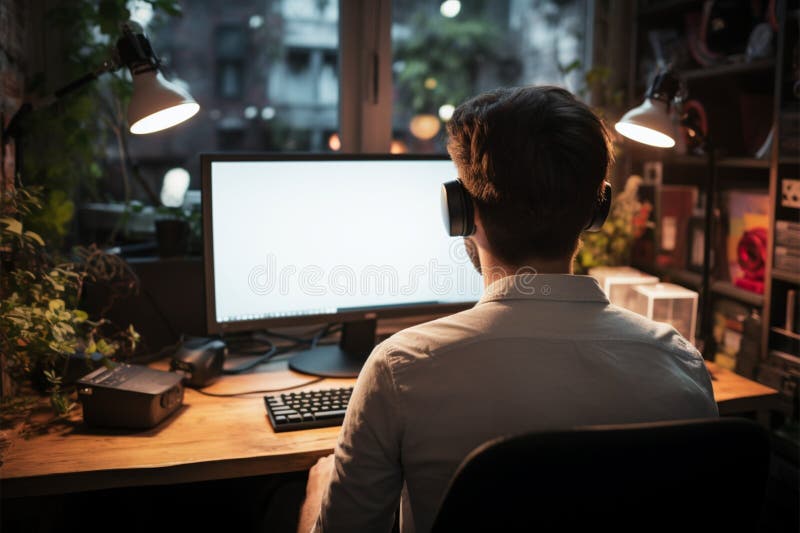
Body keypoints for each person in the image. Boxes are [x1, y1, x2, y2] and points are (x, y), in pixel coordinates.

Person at [297, 86, 718, 533]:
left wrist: (316, 492)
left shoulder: (400, 368)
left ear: (460, 211)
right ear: (597, 210)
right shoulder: (681, 365)